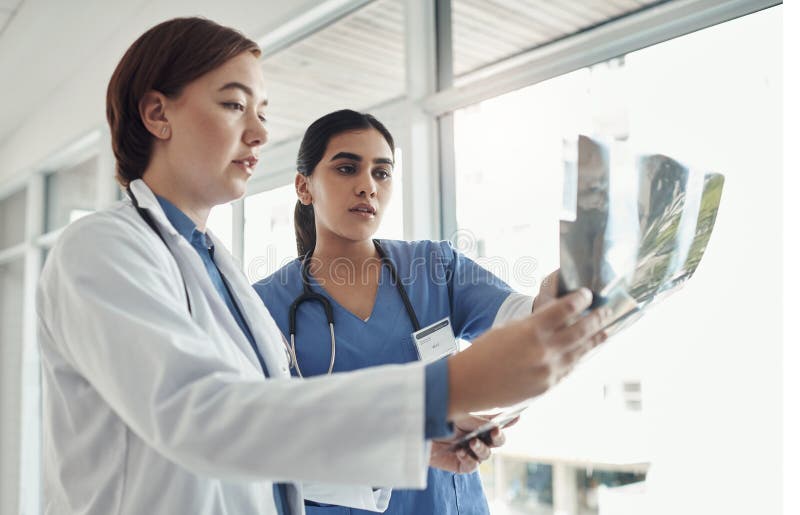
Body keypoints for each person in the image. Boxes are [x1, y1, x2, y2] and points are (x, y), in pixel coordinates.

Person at [36, 17, 610, 515]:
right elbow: (203, 417)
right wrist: (443, 390)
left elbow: (270, 431)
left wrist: (414, 445)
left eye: (261, 112)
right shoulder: (103, 251)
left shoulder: (219, 272)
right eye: (235, 105)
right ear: (157, 114)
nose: (260, 133)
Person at [253, 109, 561, 514]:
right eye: (347, 168)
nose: (367, 186)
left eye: (382, 173)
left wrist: (553, 298)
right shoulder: (264, 304)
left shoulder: (435, 266)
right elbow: (266, 440)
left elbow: (519, 322)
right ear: (303, 186)